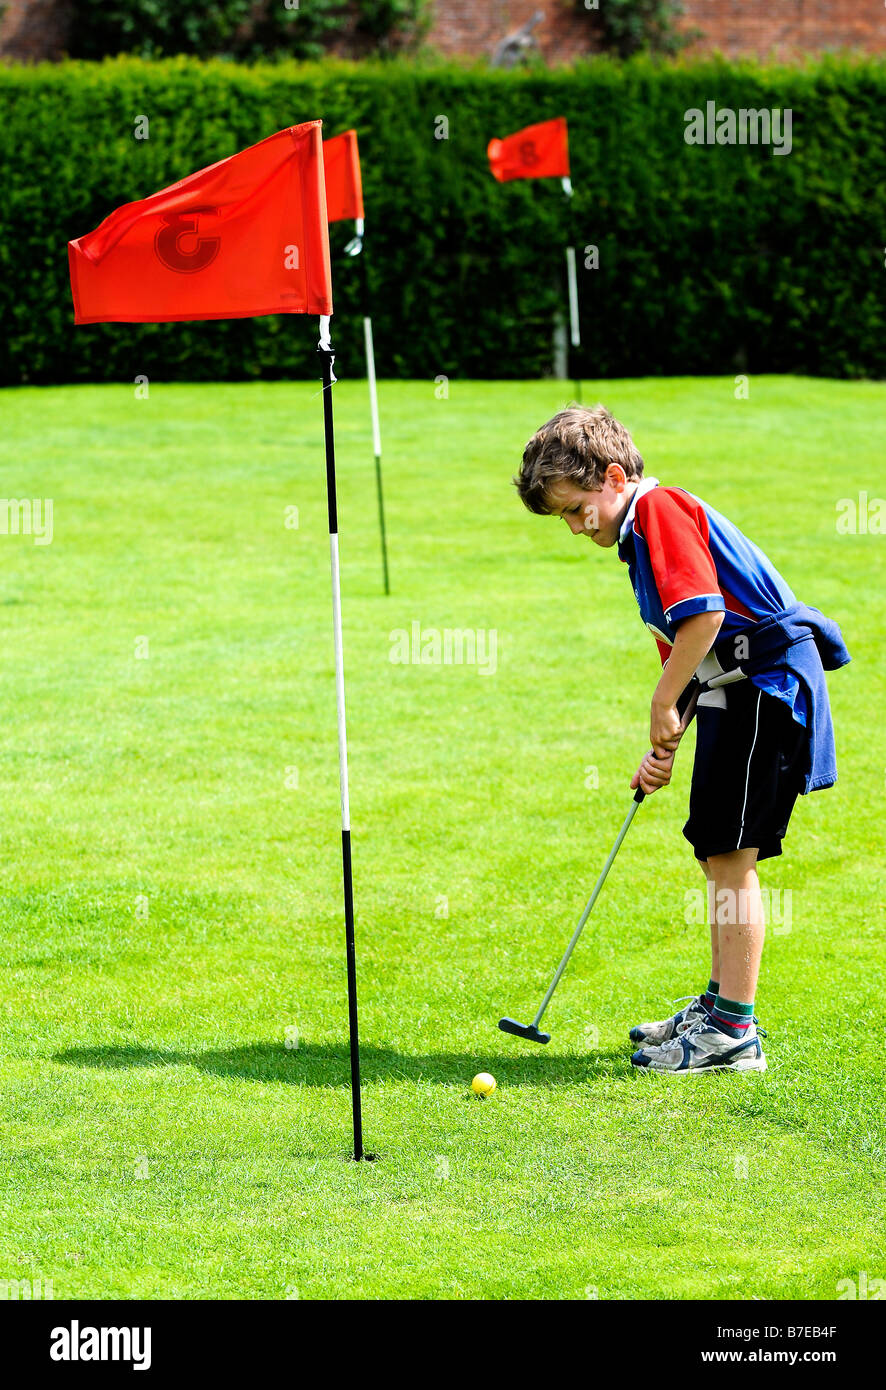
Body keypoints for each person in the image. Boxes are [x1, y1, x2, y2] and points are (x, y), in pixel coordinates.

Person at [514, 406, 850, 1074]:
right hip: (735, 687)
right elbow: (686, 648)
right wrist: (665, 741)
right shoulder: (637, 540)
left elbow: (706, 615)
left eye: (579, 508)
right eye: (564, 519)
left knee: (731, 855)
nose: (579, 526)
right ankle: (721, 1005)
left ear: (615, 476)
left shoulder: (658, 511)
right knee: (716, 849)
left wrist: (663, 700)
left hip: (768, 684)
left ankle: (732, 1033)